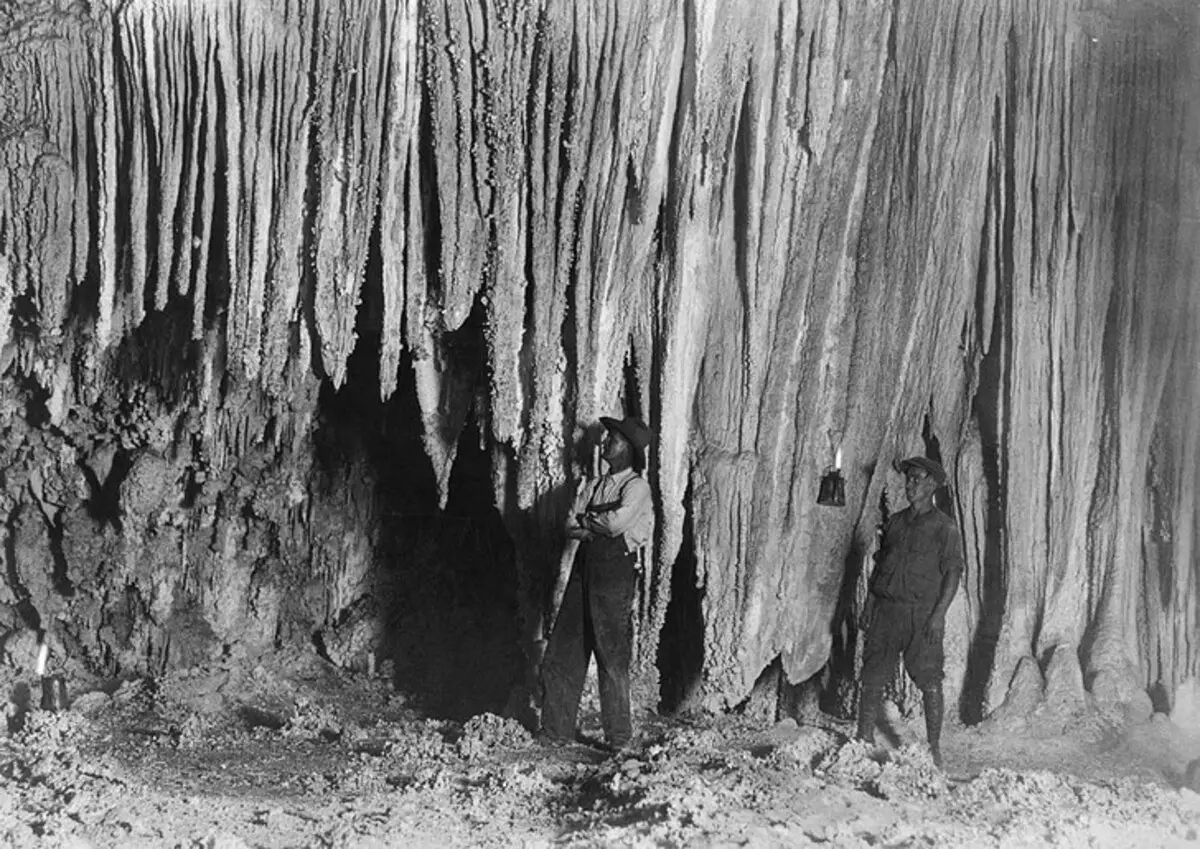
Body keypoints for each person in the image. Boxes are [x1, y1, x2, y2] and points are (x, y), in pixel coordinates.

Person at [540, 415, 654, 752]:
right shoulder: (593, 485)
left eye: (613, 439)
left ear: (629, 449)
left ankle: (618, 737)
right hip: (584, 567)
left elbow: (617, 524)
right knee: (565, 649)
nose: (605, 443)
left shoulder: (636, 487)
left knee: (611, 653)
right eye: (606, 438)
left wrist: (588, 524)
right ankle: (555, 730)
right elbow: (568, 523)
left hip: (615, 572)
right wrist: (592, 526)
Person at [856, 456, 963, 768]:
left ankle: (933, 748)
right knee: (873, 676)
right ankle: (863, 738)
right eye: (909, 479)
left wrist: (939, 615)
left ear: (932, 485)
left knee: (929, 679)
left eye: (917, 479)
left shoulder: (944, 527)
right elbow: (882, 569)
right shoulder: (897, 523)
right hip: (888, 611)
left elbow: (953, 573)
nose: (910, 484)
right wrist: (869, 605)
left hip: (922, 614)